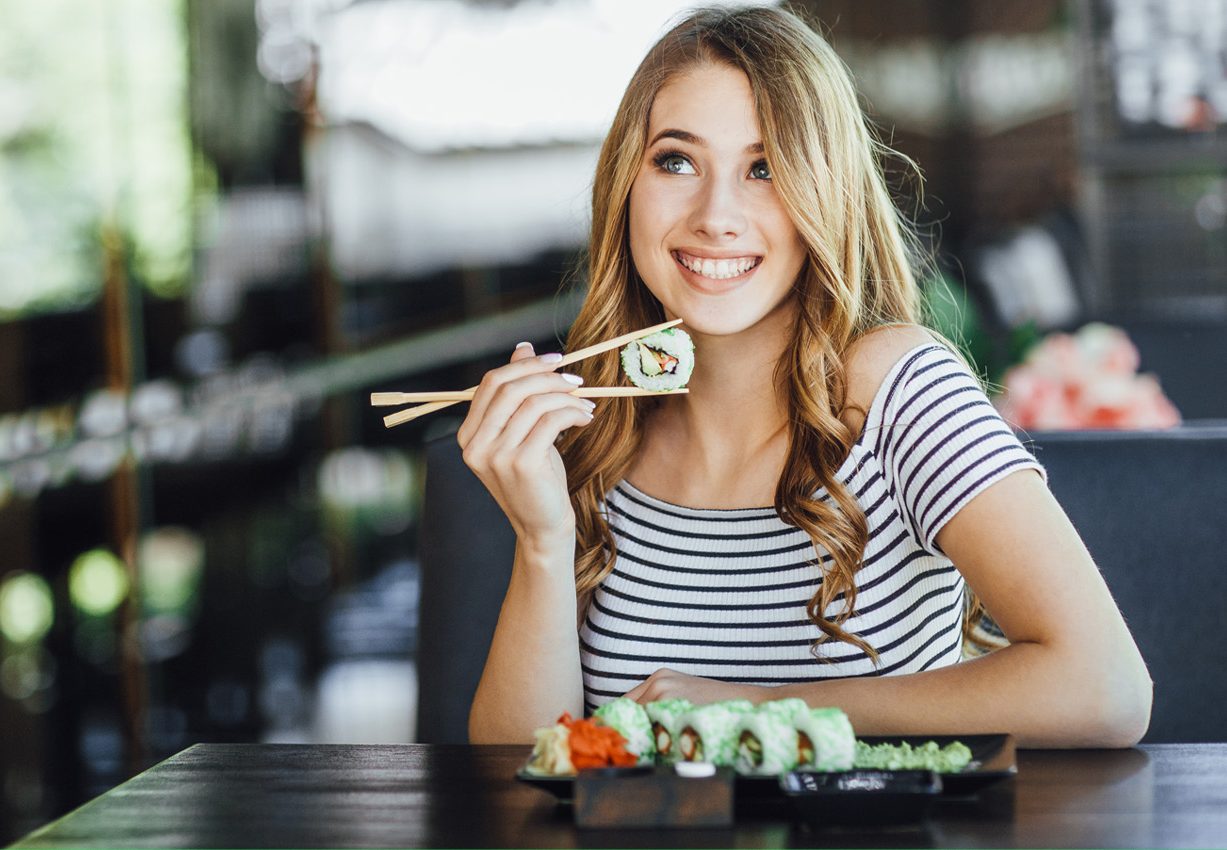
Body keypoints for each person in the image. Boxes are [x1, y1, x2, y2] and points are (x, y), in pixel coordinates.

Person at [457, 5, 1151, 748]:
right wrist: (542, 538)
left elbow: (1105, 687)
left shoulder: (896, 389)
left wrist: (763, 705)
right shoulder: (594, 427)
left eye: (765, 168)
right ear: (624, 185)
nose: (715, 215)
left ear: (827, 192)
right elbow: (514, 774)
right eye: (676, 161)